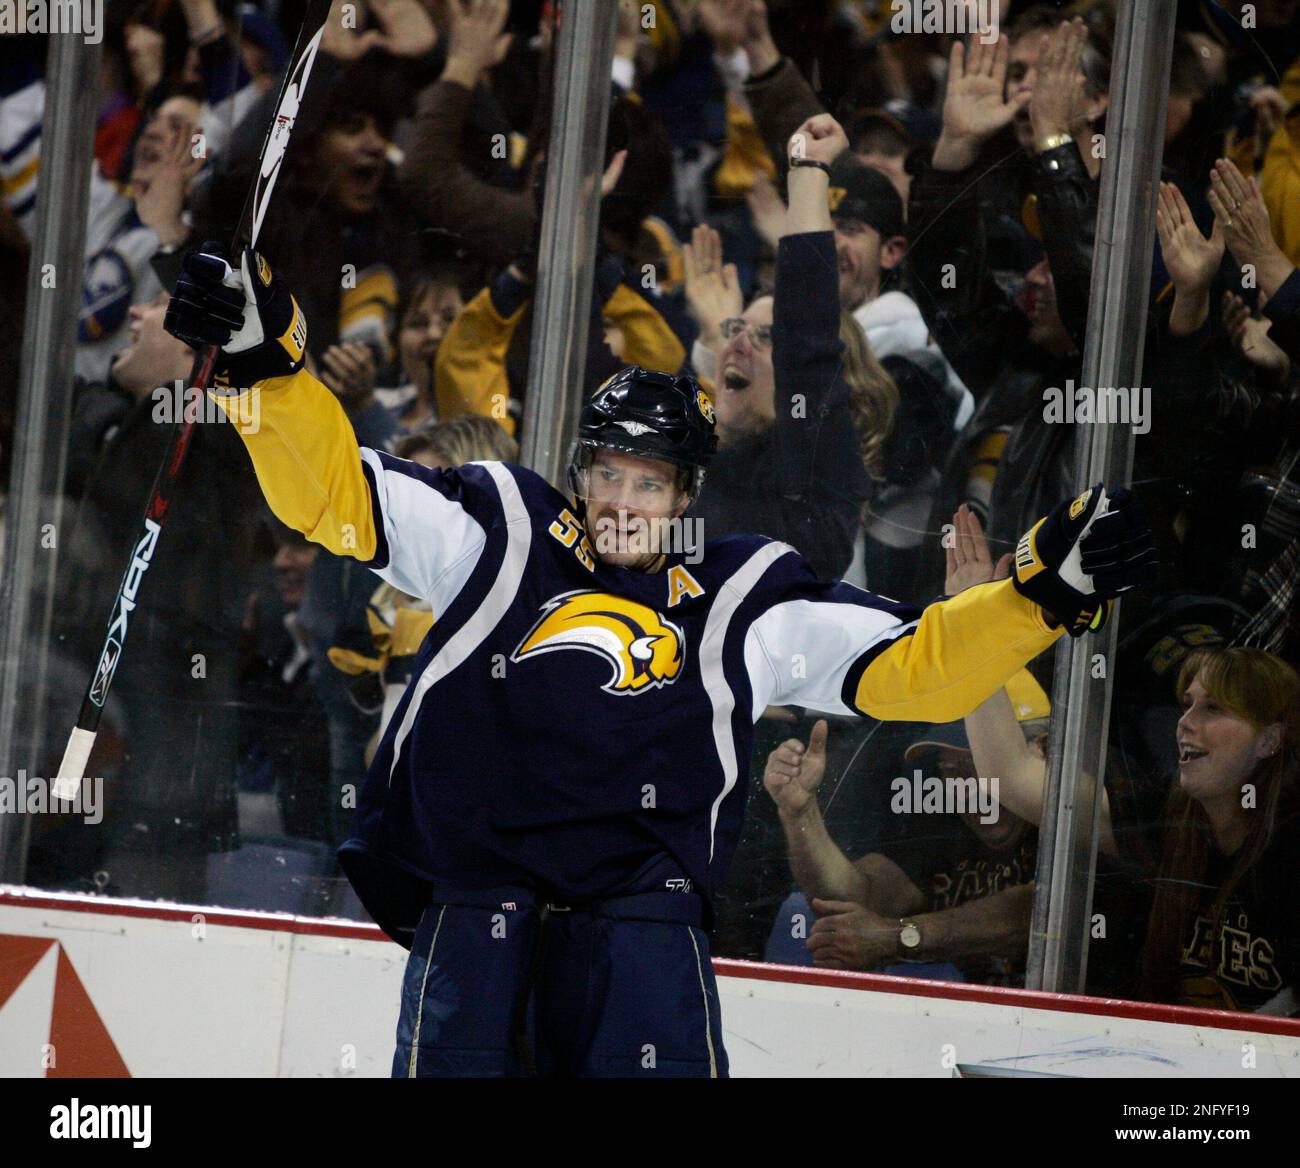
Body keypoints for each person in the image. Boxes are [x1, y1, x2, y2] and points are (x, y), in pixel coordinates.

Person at [162, 114, 1156, 1077]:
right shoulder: (502, 532)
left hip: (639, 933)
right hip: (479, 910)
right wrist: (265, 369)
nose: (622, 501)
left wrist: (1037, 592)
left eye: (649, 481)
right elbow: (337, 495)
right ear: (581, 472)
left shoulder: (738, 594)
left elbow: (910, 664)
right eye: (608, 474)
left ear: (685, 492)